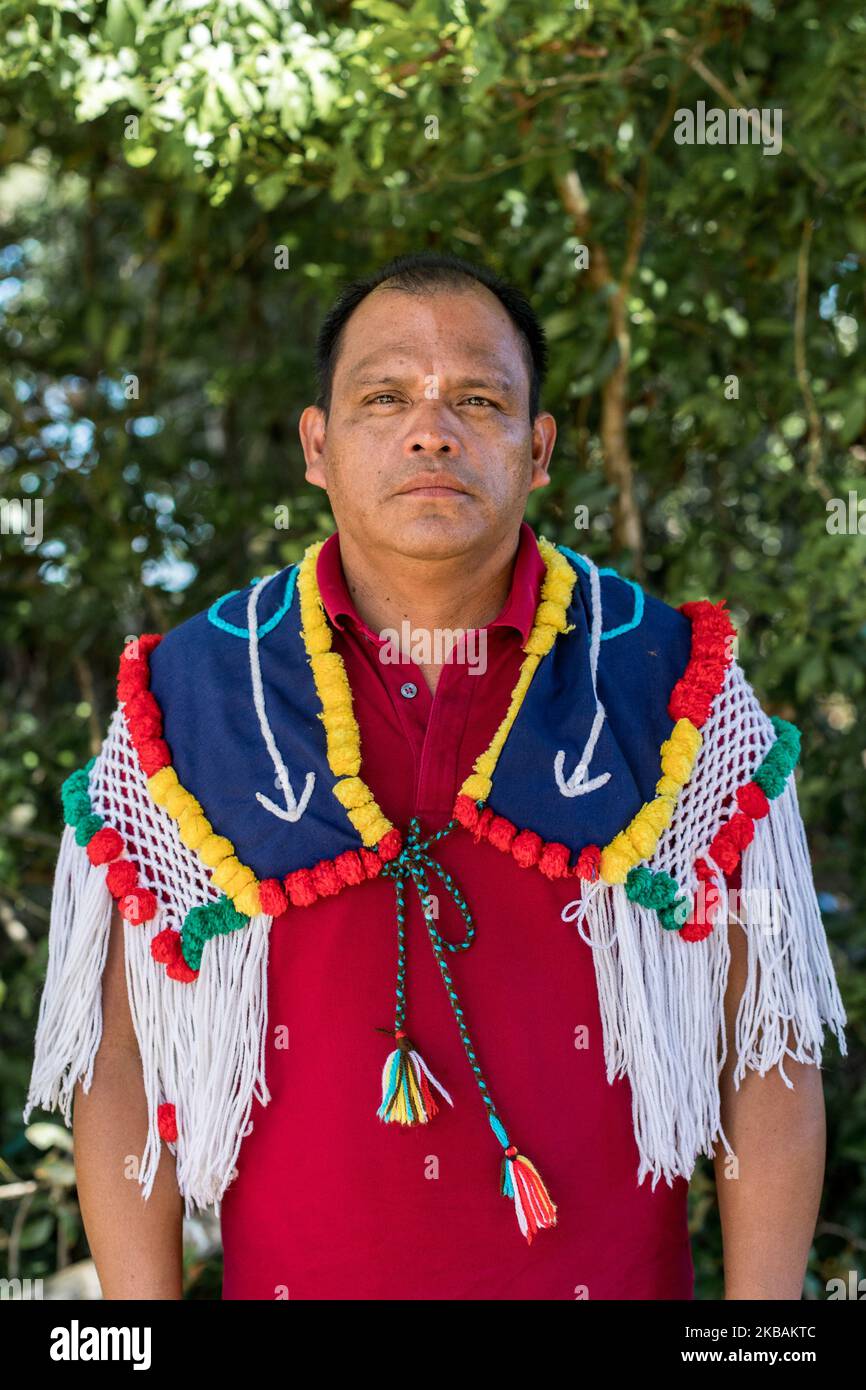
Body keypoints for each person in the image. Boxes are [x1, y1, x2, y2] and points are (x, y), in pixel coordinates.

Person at [24, 251, 847, 1300]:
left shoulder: (667, 685)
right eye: (383, 396)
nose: (429, 428)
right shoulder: (188, 699)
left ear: (538, 447)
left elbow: (763, 1046)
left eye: (476, 397)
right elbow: (120, 1060)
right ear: (316, 445)